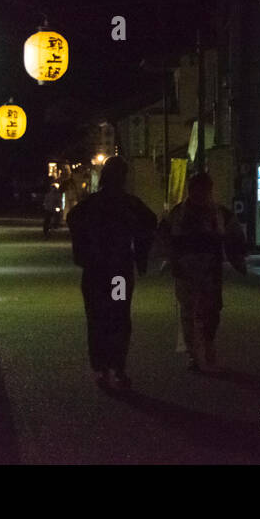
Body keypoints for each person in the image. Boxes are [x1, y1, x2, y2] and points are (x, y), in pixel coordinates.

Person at [67, 156, 156, 390]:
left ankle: (103, 368)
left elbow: (73, 219)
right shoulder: (129, 204)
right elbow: (150, 222)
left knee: (97, 318)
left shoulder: (92, 204)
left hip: (96, 270)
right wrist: (140, 255)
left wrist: (83, 252)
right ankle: (117, 367)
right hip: (118, 271)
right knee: (118, 316)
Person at [162, 172, 247, 371]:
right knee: (189, 312)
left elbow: (235, 238)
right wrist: (172, 260)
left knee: (211, 310)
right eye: (196, 189)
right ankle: (194, 353)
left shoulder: (219, 213)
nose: (200, 194)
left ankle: (207, 346)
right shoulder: (178, 213)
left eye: (204, 189)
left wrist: (238, 259)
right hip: (186, 270)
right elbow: (165, 238)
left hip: (210, 269)